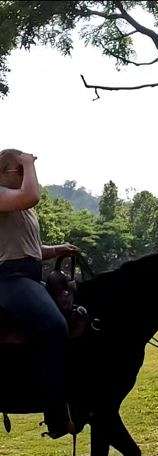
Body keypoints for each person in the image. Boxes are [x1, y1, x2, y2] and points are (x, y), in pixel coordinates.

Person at [0, 148, 78, 437]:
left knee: (71, 316)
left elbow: (32, 248)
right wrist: (29, 161)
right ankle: (56, 416)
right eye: (17, 170)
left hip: (29, 277)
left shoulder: (20, 208)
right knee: (54, 326)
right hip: (9, 279)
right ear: (3, 171)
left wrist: (60, 249)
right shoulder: (2, 195)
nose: (23, 176)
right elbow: (31, 195)